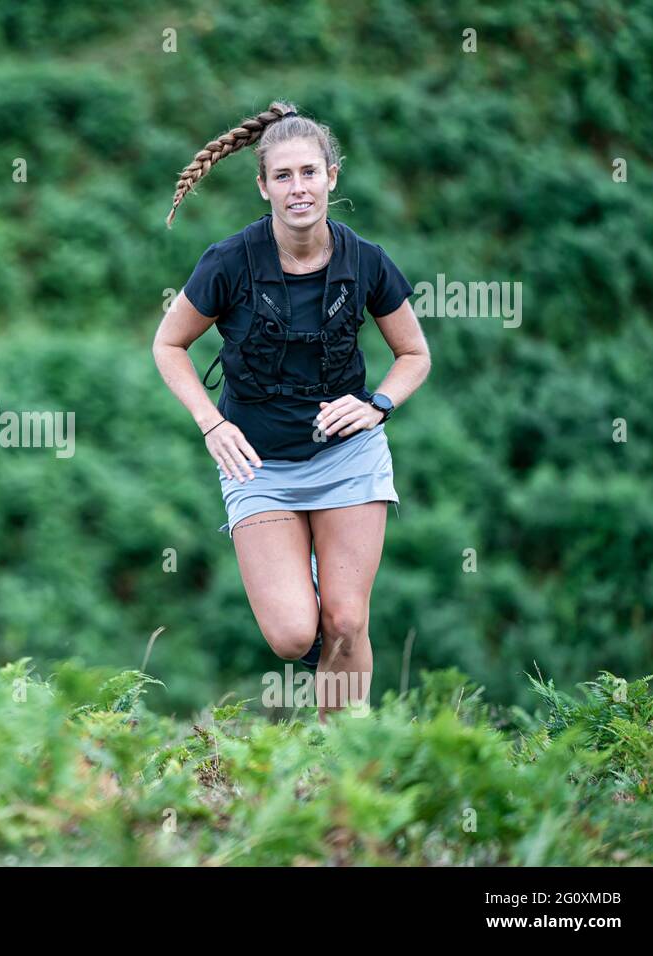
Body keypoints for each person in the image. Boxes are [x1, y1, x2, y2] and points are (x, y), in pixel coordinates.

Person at [153, 101, 431, 722]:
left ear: (333, 176)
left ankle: (345, 764)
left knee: (345, 619)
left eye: (309, 172)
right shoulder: (228, 261)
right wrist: (212, 423)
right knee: (291, 634)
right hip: (258, 466)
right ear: (263, 186)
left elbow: (414, 354)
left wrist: (378, 405)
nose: (297, 188)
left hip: (348, 459)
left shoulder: (366, 260)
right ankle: (342, 688)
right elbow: (168, 345)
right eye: (283, 176)